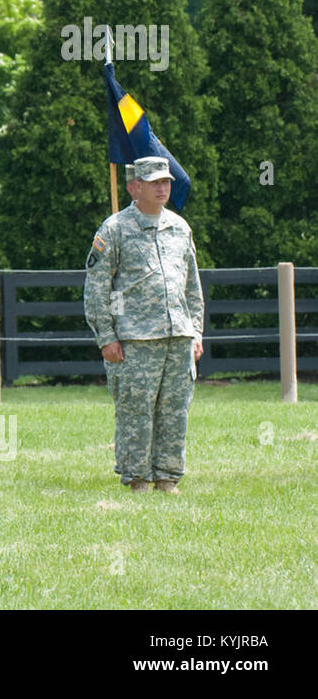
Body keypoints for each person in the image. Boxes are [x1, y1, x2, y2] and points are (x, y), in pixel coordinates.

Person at [84, 155, 204, 494]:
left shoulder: (180, 228)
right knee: (136, 411)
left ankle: (167, 477)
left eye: (166, 182)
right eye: (155, 183)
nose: (163, 188)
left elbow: (192, 287)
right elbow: (97, 288)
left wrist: (195, 330)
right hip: (135, 339)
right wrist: (106, 336)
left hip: (178, 335)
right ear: (134, 187)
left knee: (174, 410)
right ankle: (137, 479)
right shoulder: (115, 229)